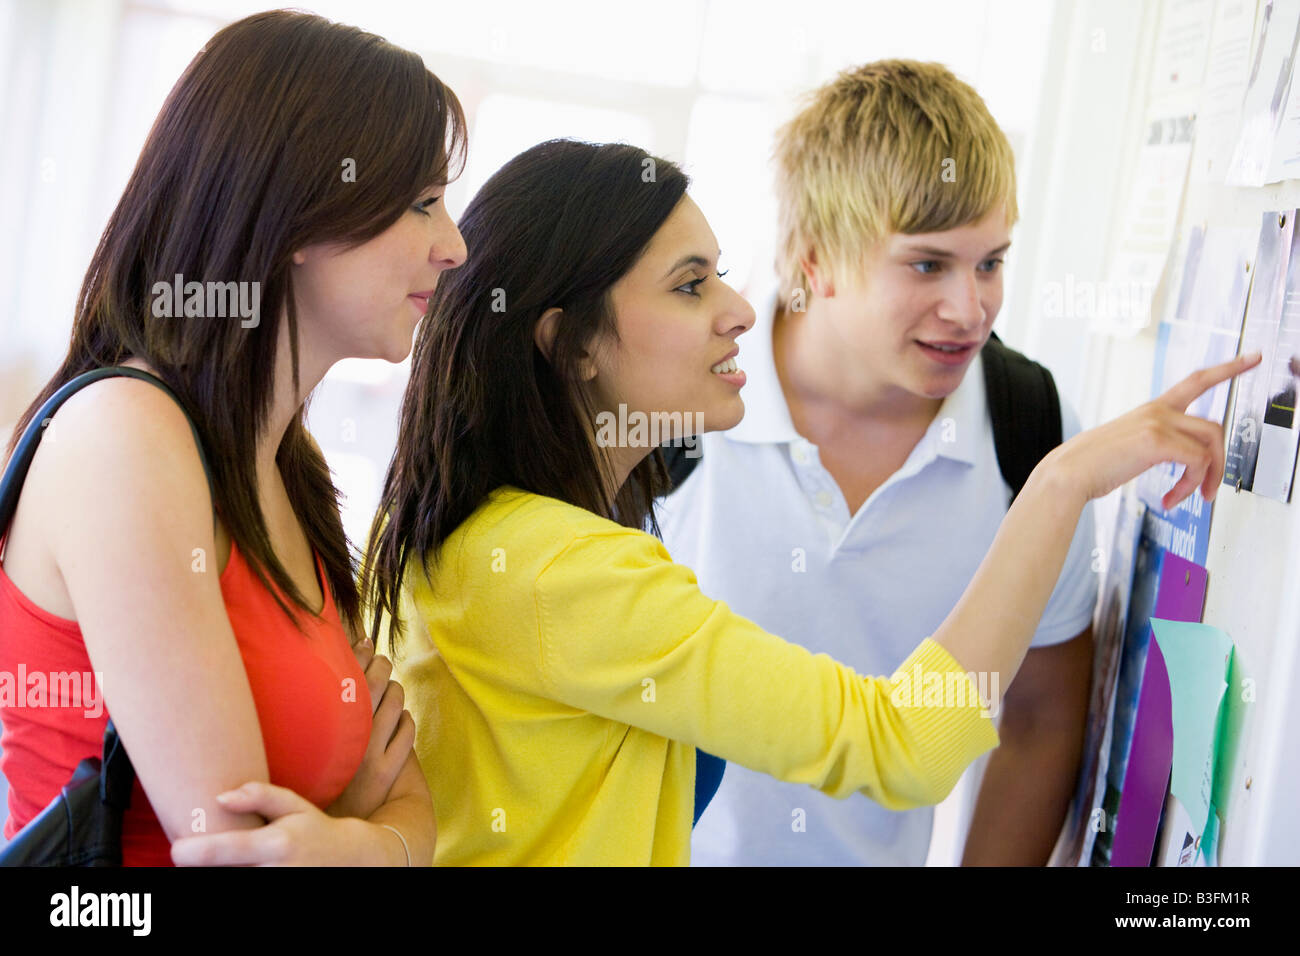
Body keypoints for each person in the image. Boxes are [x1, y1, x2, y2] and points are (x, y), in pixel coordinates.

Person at [361, 137, 1256, 866]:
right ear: (572, 344)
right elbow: (902, 747)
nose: (741, 309)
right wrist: (1060, 485)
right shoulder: (561, 569)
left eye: (991, 263)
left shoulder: (498, 537)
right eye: (690, 285)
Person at [0, 10, 467, 866]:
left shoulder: (291, 474)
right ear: (300, 213)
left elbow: (408, 801)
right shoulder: (125, 436)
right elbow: (243, 855)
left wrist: (358, 842)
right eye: (423, 203)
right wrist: (360, 833)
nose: (454, 246)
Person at [655, 59, 1096, 866]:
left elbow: (1036, 717)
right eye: (928, 265)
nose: (970, 310)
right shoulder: (673, 402)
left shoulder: (1029, 426)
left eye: (991, 262)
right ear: (814, 258)